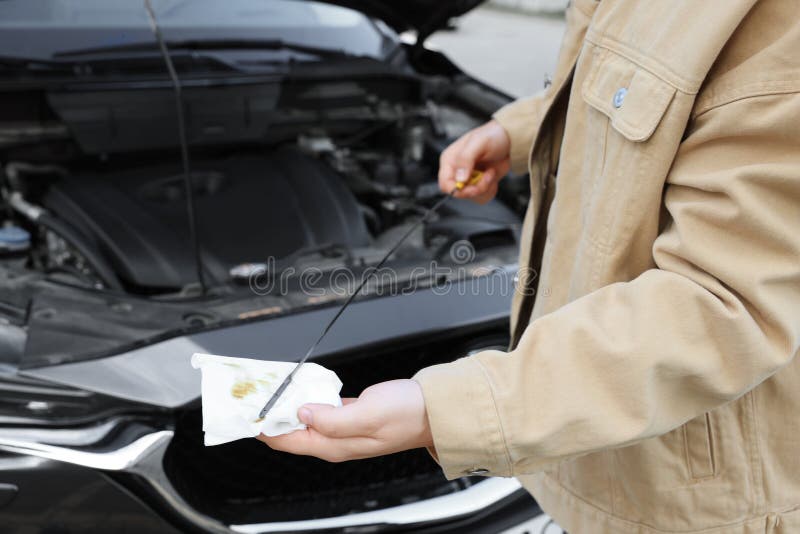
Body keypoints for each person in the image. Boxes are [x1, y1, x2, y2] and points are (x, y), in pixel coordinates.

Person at [260, 0, 800, 531]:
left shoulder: (778, 24)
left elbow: (725, 303)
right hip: (589, 454)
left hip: (690, 501)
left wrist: (451, 411)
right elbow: (608, 78)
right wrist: (519, 133)